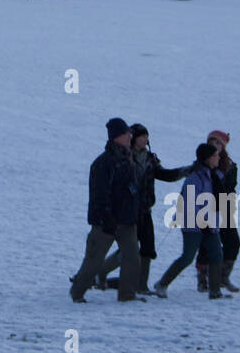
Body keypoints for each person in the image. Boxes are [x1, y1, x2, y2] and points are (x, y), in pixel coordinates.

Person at [96, 125, 194, 294]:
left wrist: (186, 171)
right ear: (134, 137)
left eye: (147, 137)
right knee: (128, 249)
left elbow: (165, 175)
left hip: (145, 210)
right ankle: (101, 273)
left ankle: (141, 285)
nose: (145, 140)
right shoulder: (124, 158)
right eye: (142, 137)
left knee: (148, 248)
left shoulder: (150, 159)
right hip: (127, 210)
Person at [69, 118, 142, 303]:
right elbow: (99, 195)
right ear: (117, 136)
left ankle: (127, 295)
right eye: (127, 133)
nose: (130, 136)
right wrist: (106, 218)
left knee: (132, 257)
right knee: (93, 261)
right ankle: (77, 293)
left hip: (126, 221)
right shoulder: (104, 162)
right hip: (105, 222)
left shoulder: (128, 159)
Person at [151, 142, 229, 300]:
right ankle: (162, 284)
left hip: (209, 223)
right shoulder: (195, 178)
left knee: (217, 254)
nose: (218, 158)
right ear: (207, 158)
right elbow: (189, 203)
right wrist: (203, 221)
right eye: (215, 155)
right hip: (193, 224)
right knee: (187, 257)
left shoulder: (214, 176)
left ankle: (215, 292)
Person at [195, 130, 240, 292]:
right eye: (212, 142)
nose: (215, 146)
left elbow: (230, 188)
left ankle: (223, 277)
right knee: (206, 246)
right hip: (207, 210)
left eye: (218, 143)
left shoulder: (230, 166)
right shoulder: (203, 164)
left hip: (224, 210)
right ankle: (203, 279)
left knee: (233, 243)